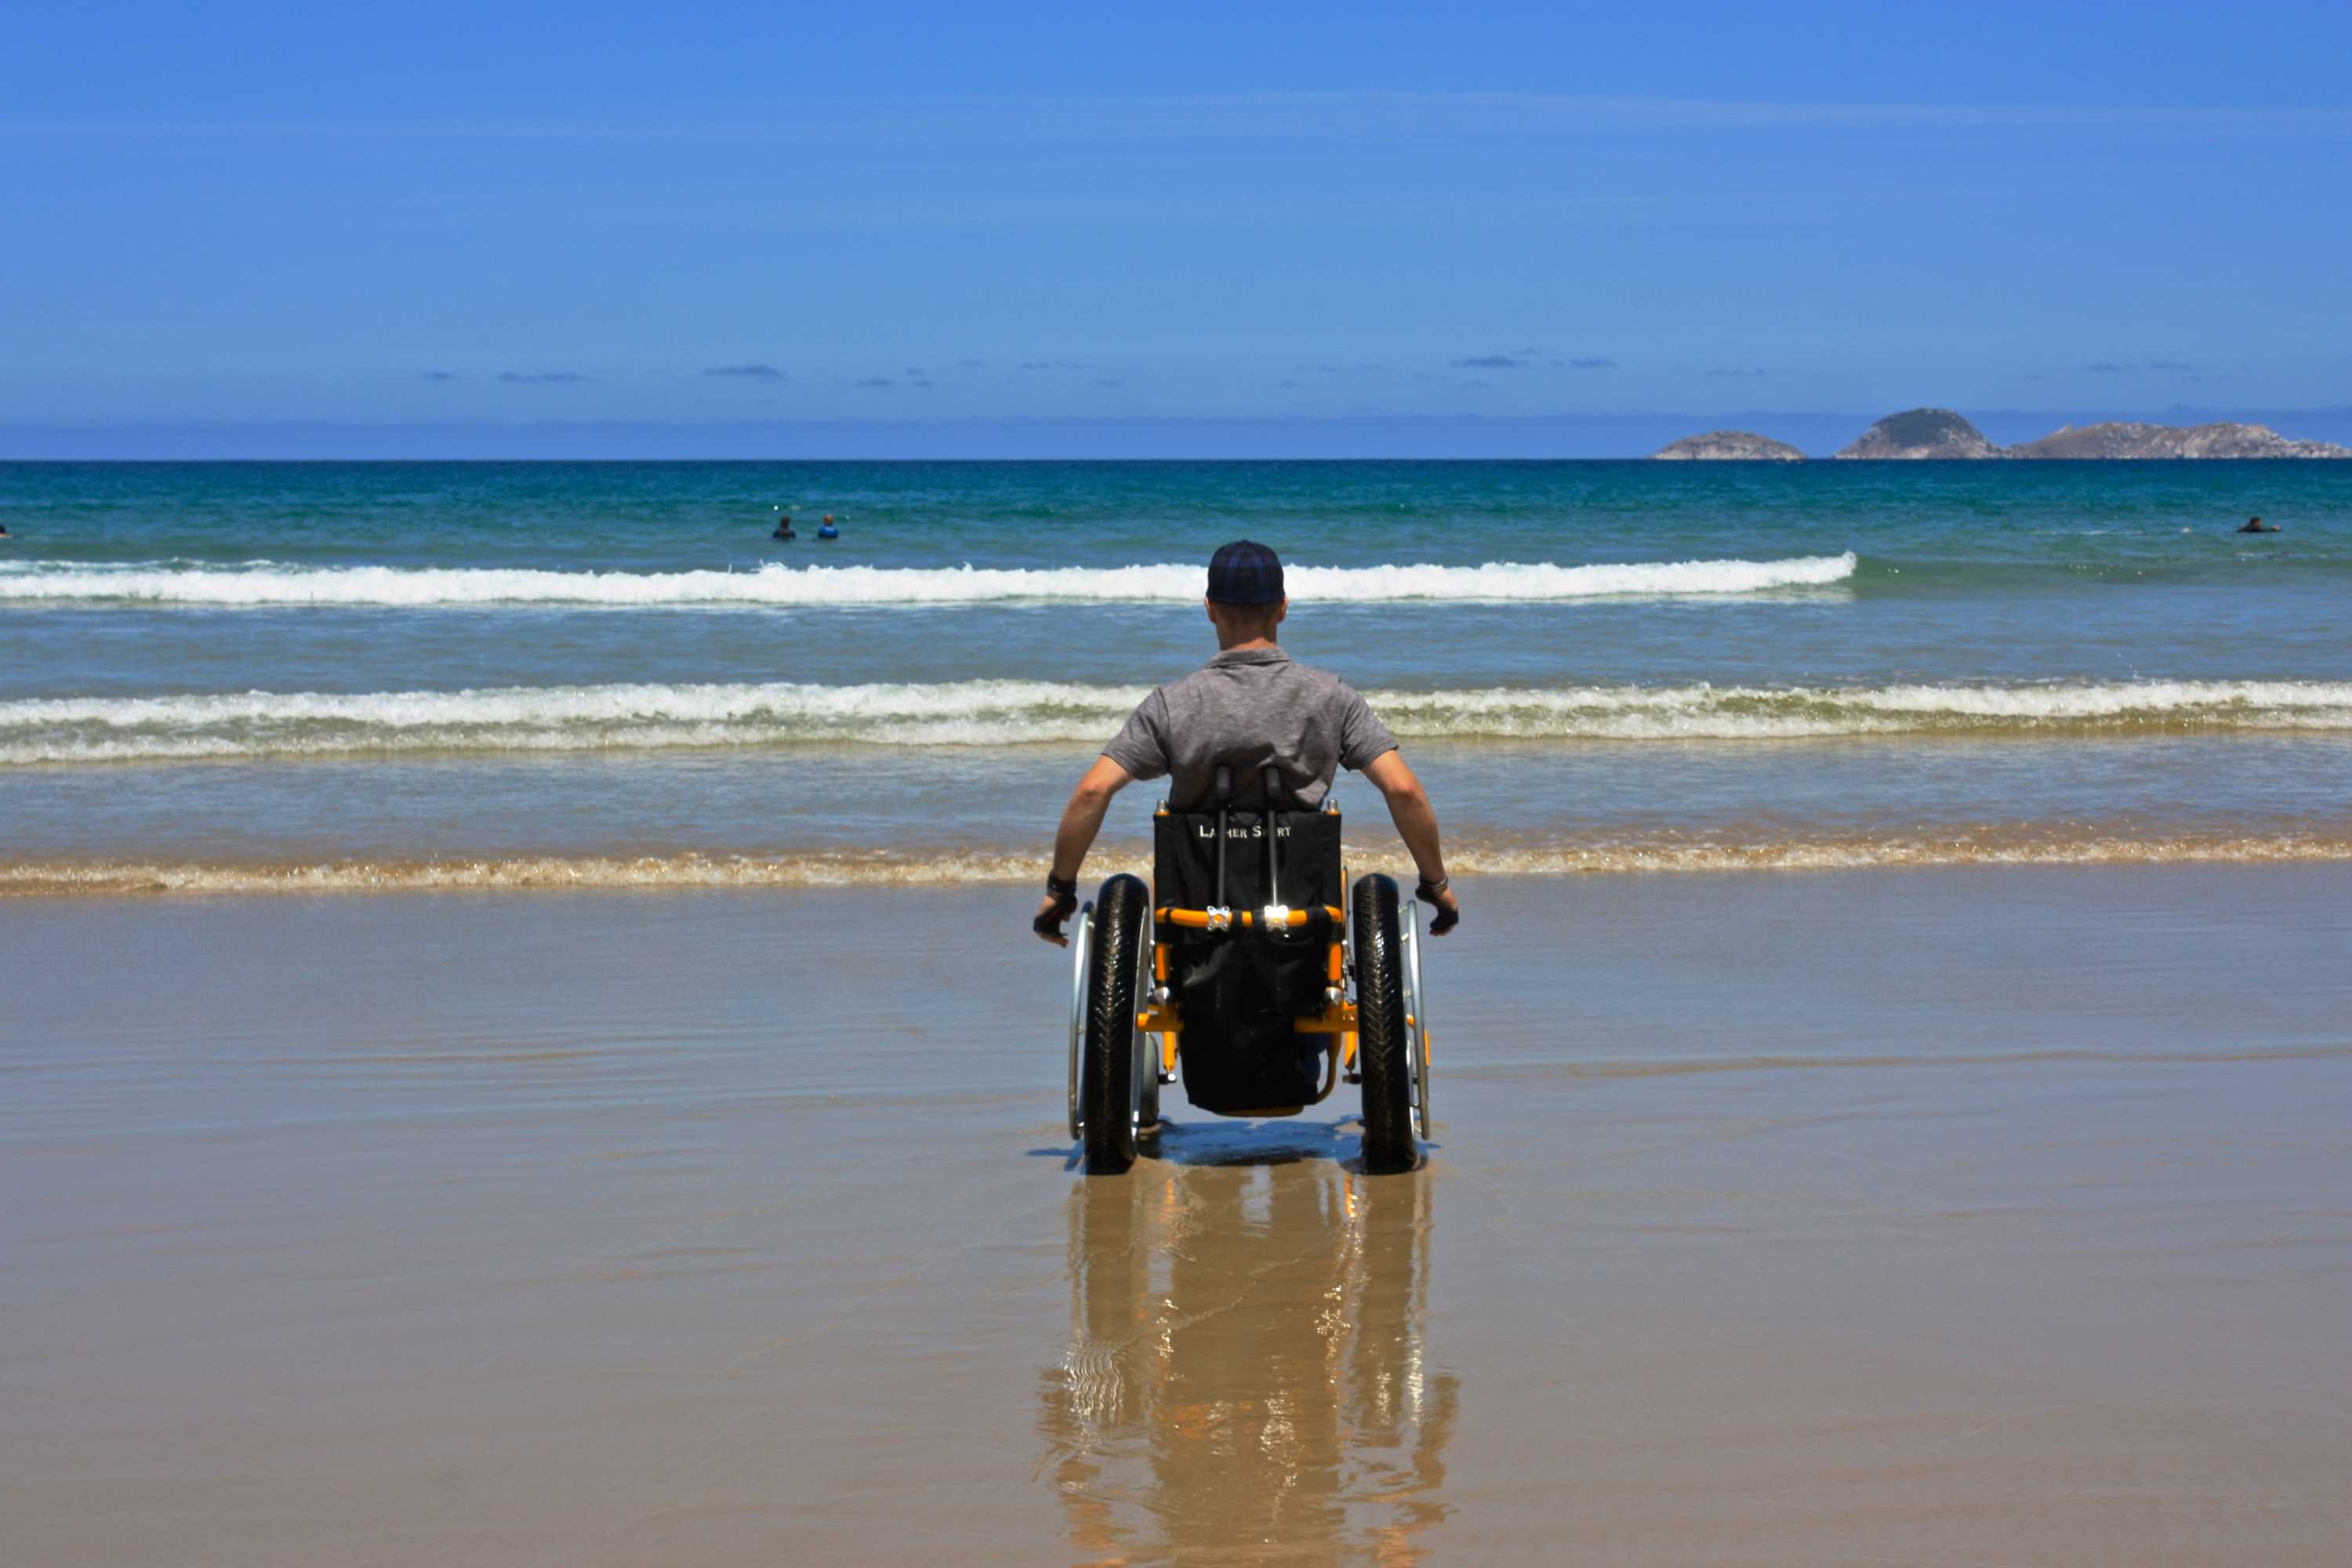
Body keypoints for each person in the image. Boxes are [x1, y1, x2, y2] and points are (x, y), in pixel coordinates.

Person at [1033, 539, 1460, 944]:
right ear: (1283, 608)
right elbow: (1403, 789)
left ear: (1209, 609)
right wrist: (1435, 883)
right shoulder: (1333, 698)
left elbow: (1093, 789)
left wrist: (1060, 889)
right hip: (1300, 922)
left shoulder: (1171, 704)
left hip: (1196, 925)